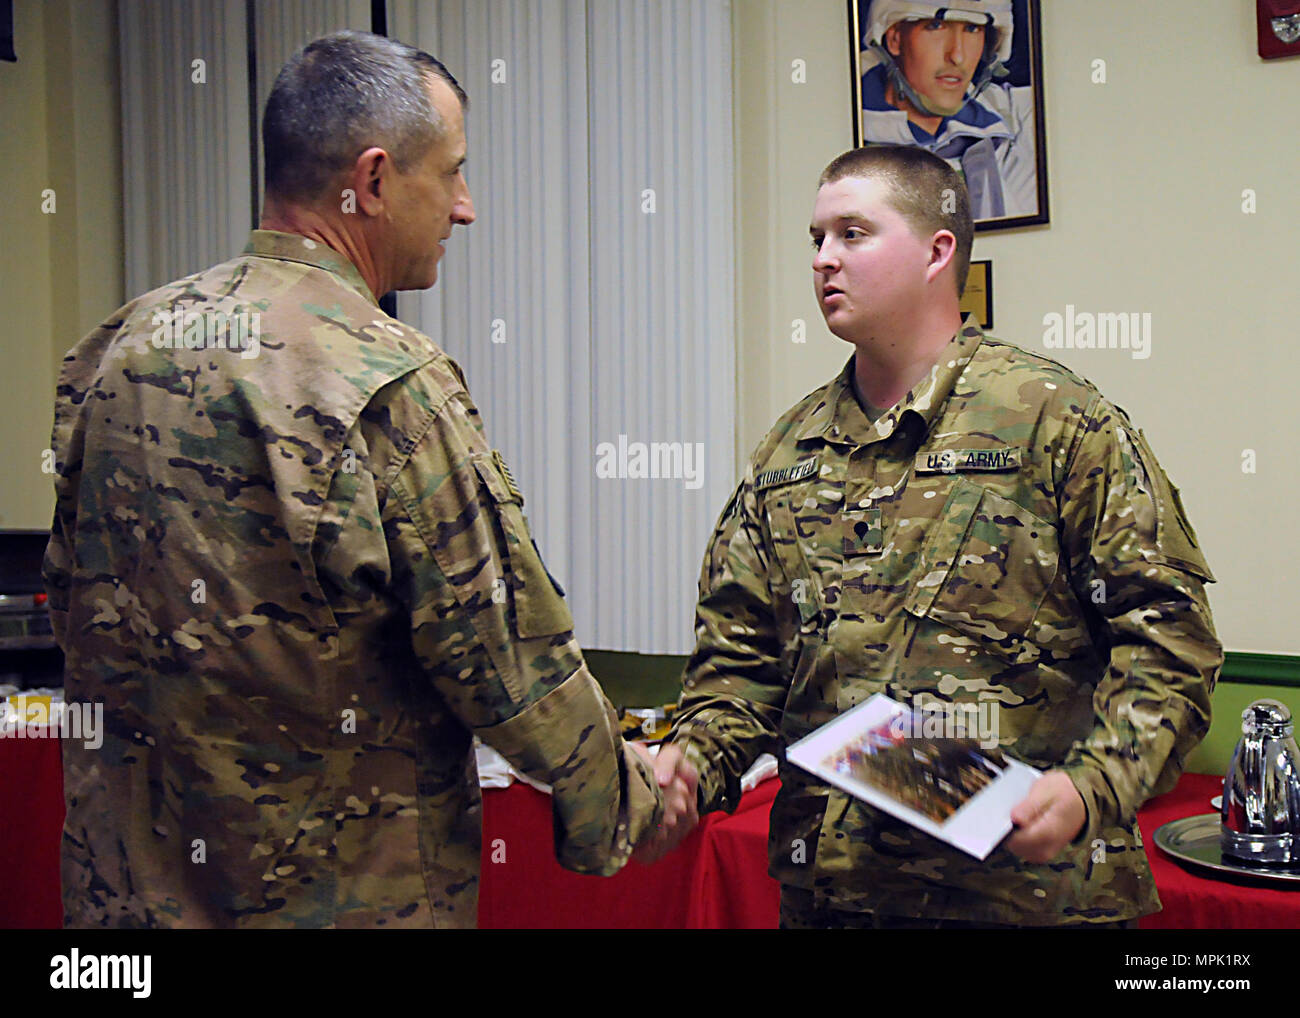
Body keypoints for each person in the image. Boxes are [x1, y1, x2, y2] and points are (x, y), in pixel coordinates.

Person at [43, 30, 695, 929]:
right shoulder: (389, 384)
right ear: (375, 180)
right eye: (453, 172)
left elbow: (71, 601)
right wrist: (631, 803)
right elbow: (508, 662)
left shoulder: (117, 348)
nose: (465, 207)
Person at [644, 145, 1222, 928]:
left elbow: (1170, 640)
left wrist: (1093, 787)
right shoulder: (788, 452)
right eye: (815, 238)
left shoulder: (1053, 420)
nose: (822, 259)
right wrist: (690, 766)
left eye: (852, 233)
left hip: (1024, 900)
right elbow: (741, 668)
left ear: (936, 251)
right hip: (833, 900)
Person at [859, 0, 1038, 220]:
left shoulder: (1017, 115)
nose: (957, 56)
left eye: (972, 29)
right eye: (936, 26)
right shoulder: (839, 123)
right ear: (895, 38)